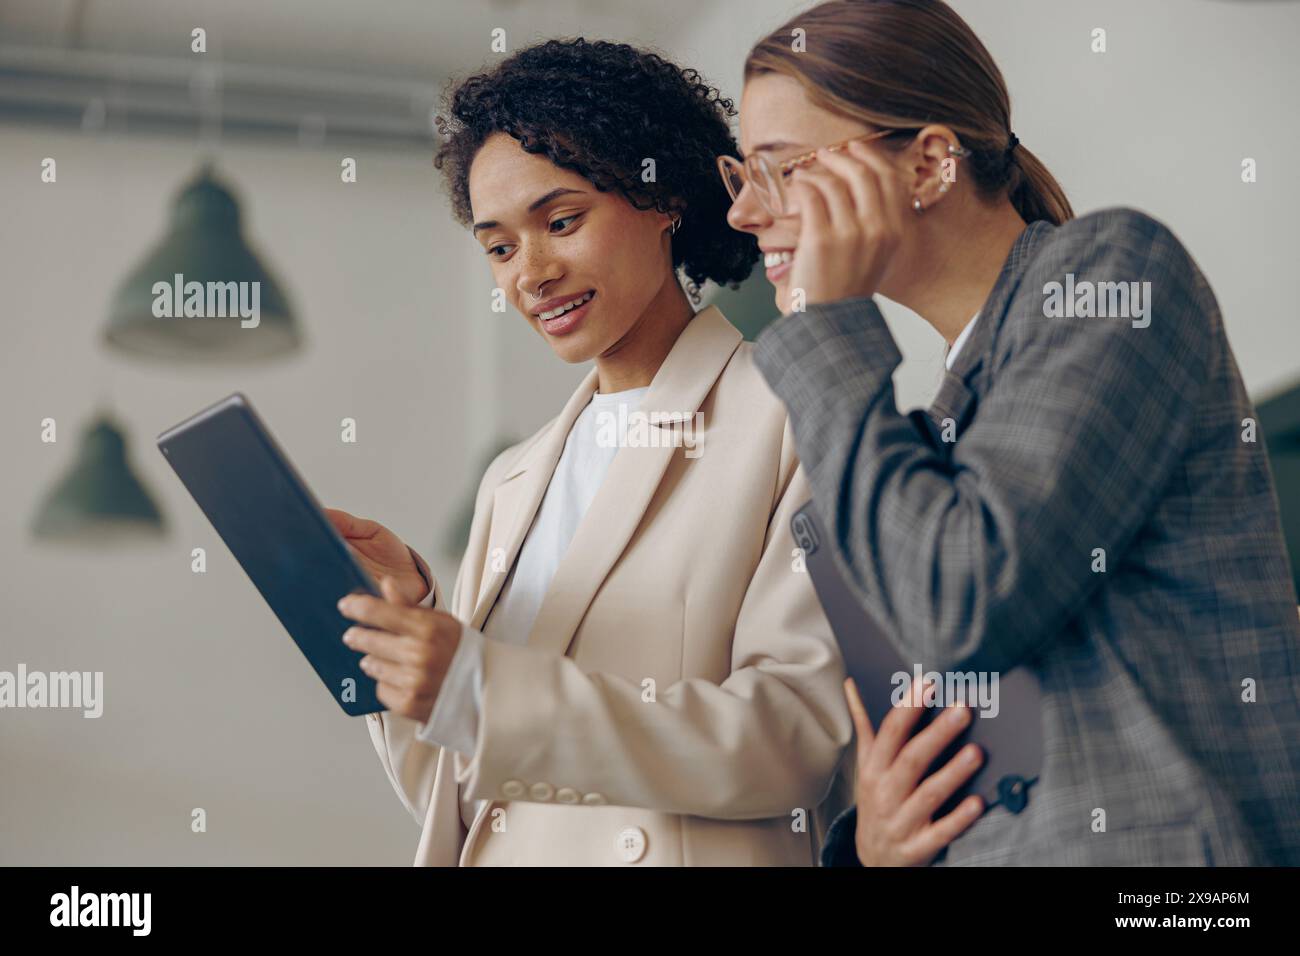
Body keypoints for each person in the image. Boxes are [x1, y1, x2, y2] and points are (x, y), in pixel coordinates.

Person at [723, 0, 1300, 865]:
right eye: (744, 177)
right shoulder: (924, 434)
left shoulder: (1112, 274)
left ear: (926, 162)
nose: (744, 215)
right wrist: (870, 845)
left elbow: (964, 598)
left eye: (783, 170)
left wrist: (825, 324)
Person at [328, 38, 868, 866]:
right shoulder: (512, 481)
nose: (531, 274)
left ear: (664, 203)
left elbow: (789, 740)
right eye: (500, 247)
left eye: (562, 221)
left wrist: (480, 689)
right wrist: (413, 637)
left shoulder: (790, 413)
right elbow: (464, 800)